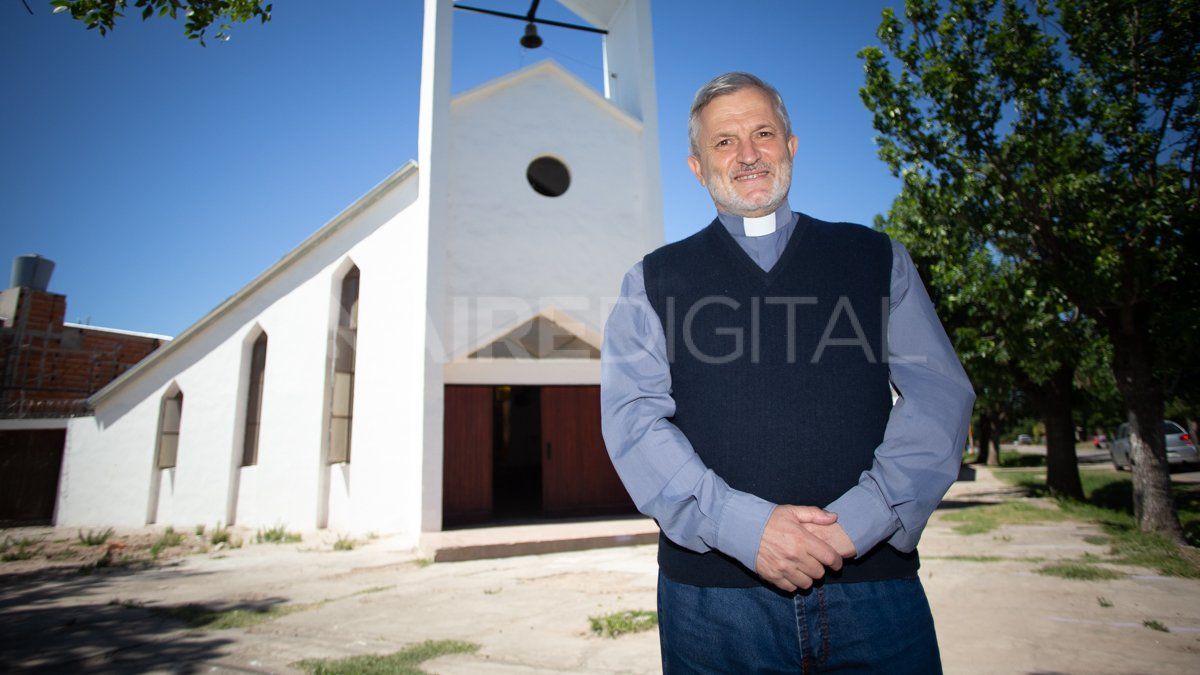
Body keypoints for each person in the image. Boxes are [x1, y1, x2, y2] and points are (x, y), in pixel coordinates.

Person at [600, 72, 975, 673]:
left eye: (763, 133)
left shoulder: (877, 260)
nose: (747, 154)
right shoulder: (651, 281)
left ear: (791, 146)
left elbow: (939, 397)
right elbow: (633, 422)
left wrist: (859, 522)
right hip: (713, 606)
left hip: (874, 590)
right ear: (697, 167)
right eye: (724, 142)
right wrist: (743, 528)